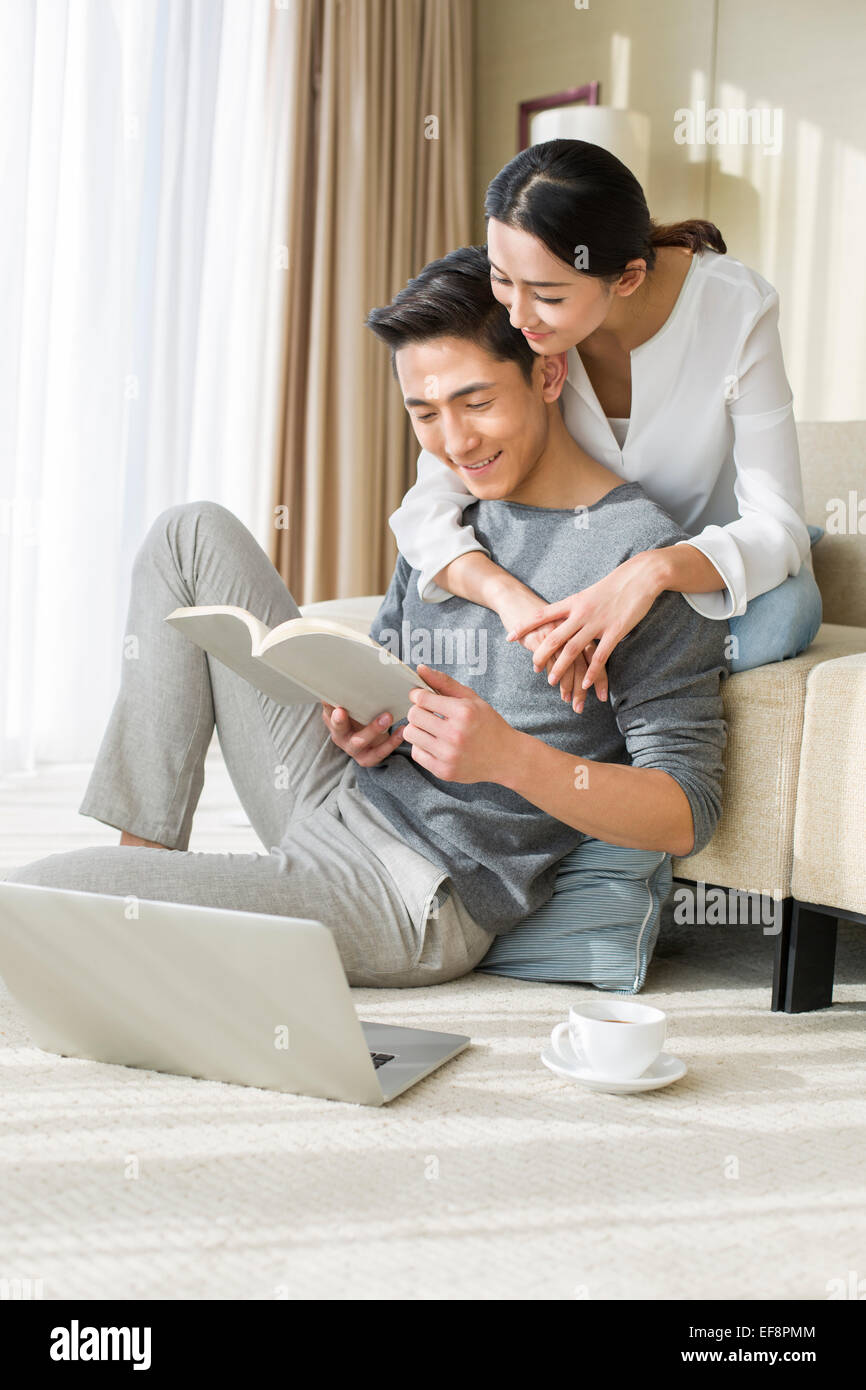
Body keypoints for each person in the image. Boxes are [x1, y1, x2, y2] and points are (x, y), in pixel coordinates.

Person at [3, 247, 727, 993]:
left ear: (548, 374)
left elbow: (686, 812)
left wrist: (508, 758)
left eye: (477, 403)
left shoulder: (640, 558)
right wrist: (356, 722)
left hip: (414, 892)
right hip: (337, 794)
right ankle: (145, 870)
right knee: (189, 533)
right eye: (425, 413)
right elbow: (389, 660)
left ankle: (139, 905)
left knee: (33, 897)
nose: (455, 442)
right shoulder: (446, 511)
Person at [389, 140, 823, 709]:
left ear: (628, 278)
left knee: (786, 612)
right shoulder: (521, 287)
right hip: (577, 560)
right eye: (501, 279)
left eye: (547, 296)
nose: (517, 315)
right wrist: (507, 595)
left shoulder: (735, 310)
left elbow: (777, 524)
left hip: (693, 559)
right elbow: (429, 504)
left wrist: (651, 572)